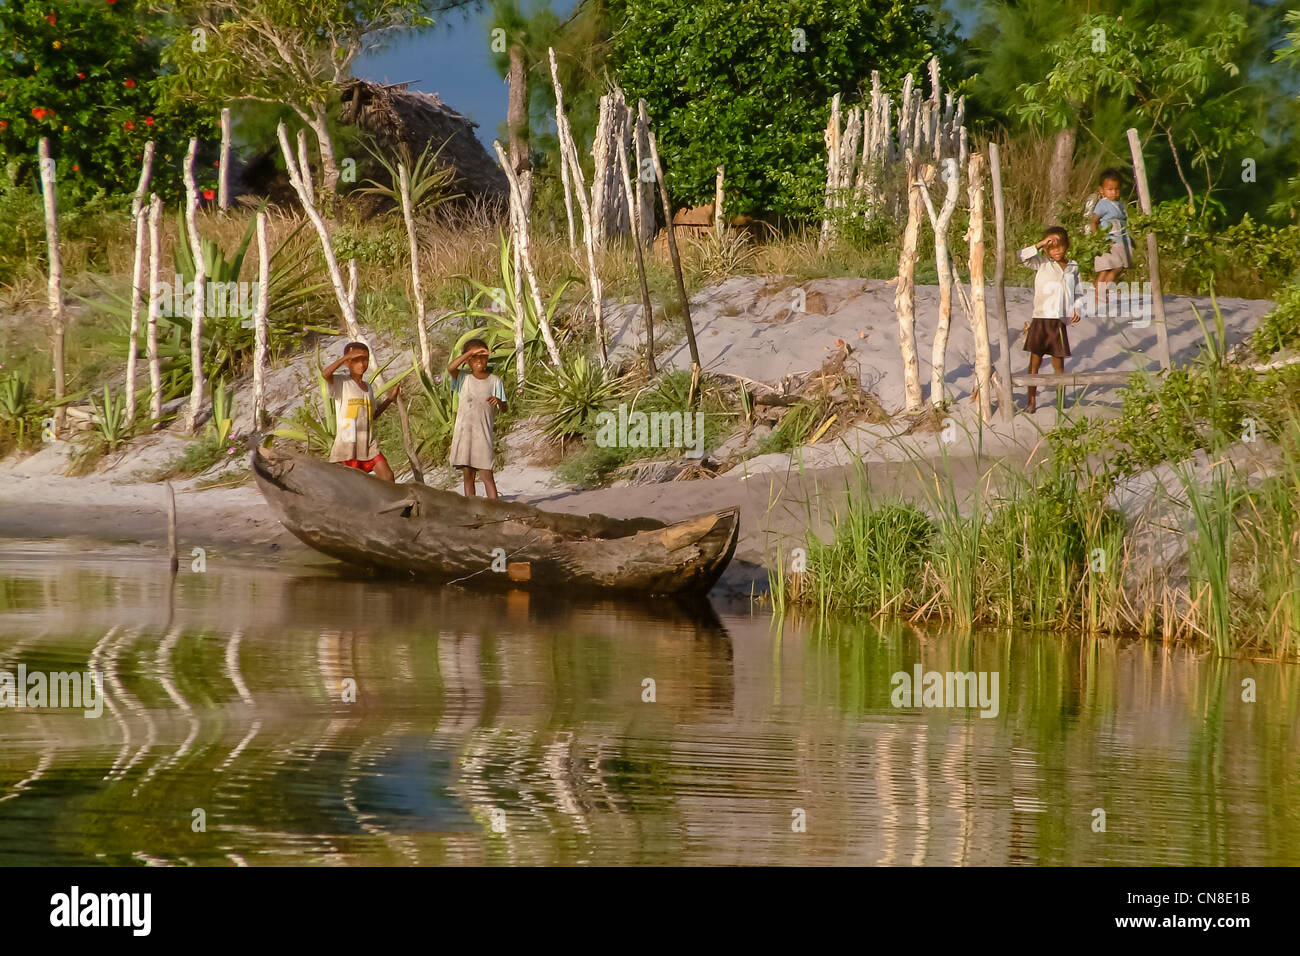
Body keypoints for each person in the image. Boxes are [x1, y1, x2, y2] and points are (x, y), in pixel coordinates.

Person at [1019, 226, 1082, 414]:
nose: (1055, 251)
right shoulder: (1041, 263)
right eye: (1051, 247)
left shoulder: (1073, 266)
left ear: (1067, 246)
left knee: (1058, 362)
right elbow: (1022, 256)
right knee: (1035, 361)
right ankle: (1031, 401)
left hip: (1059, 320)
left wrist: (1076, 307)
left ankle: (1061, 400)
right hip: (1040, 318)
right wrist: (1040, 244)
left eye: (1059, 247)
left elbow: (1078, 291)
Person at [319, 341, 399, 481]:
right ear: (347, 363)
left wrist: (390, 399)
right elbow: (325, 374)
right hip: (348, 444)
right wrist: (345, 357)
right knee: (353, 486)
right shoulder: (341, 383)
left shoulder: (368, 387)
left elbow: (372, 416)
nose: (361, 364)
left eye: (365, 359)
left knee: (388, 477)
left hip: (368, 444)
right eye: (355, 360)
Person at [447, 339, 507, 499]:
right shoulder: (463, 378)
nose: (479, 361)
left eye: (483, 356)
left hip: (483, 435)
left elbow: (505, 408)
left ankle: (495, 510)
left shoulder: (495, 381)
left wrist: (499, 401)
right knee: (468, 477)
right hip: (466, 435)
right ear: (467, 360)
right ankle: (472, 511)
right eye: (475, 357)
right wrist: (469, 353)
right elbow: (451, 367)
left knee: (487, 476)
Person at [1090, 169, 1132, 314]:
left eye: (1116, 189)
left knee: (1117, 267)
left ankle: (1102, 292)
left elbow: (1123, 223)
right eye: (1110, 189)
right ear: (1101, 190)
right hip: (1108, 241)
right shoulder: (1103, 204)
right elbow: (1094, 221)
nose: (1113, 192)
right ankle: (1099, 294)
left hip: (1120, 240)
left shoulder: (1120, 205)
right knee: (1109, 268)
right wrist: (1098, 238)